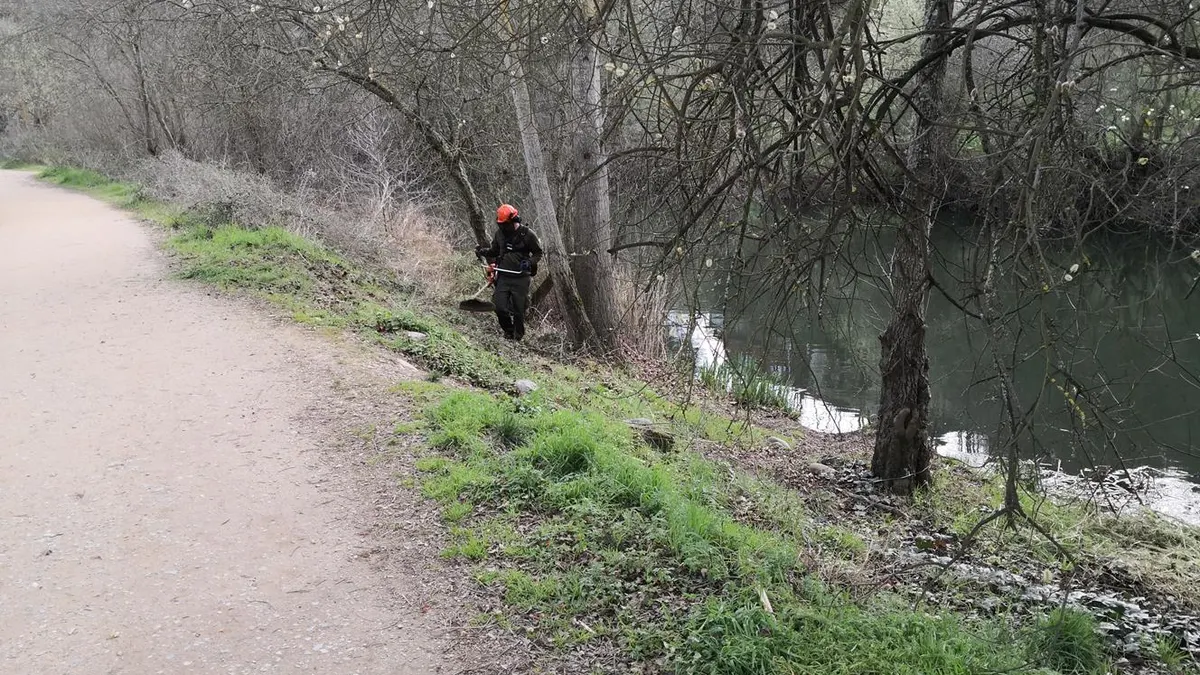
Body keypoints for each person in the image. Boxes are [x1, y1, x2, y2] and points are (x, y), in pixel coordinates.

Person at [476, 203, 543, 341]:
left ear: (513, 220)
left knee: (518, 310)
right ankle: (509, 331)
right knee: (499, 307)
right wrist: (482, 251)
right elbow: (494, 250)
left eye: (505, 224)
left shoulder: (528, 234)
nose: (503, 227)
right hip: (504, 276)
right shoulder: (499, 234)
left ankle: (517, 337)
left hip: (521, 277)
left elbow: (538, 253)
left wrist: (529, 262)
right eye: (501, 224)